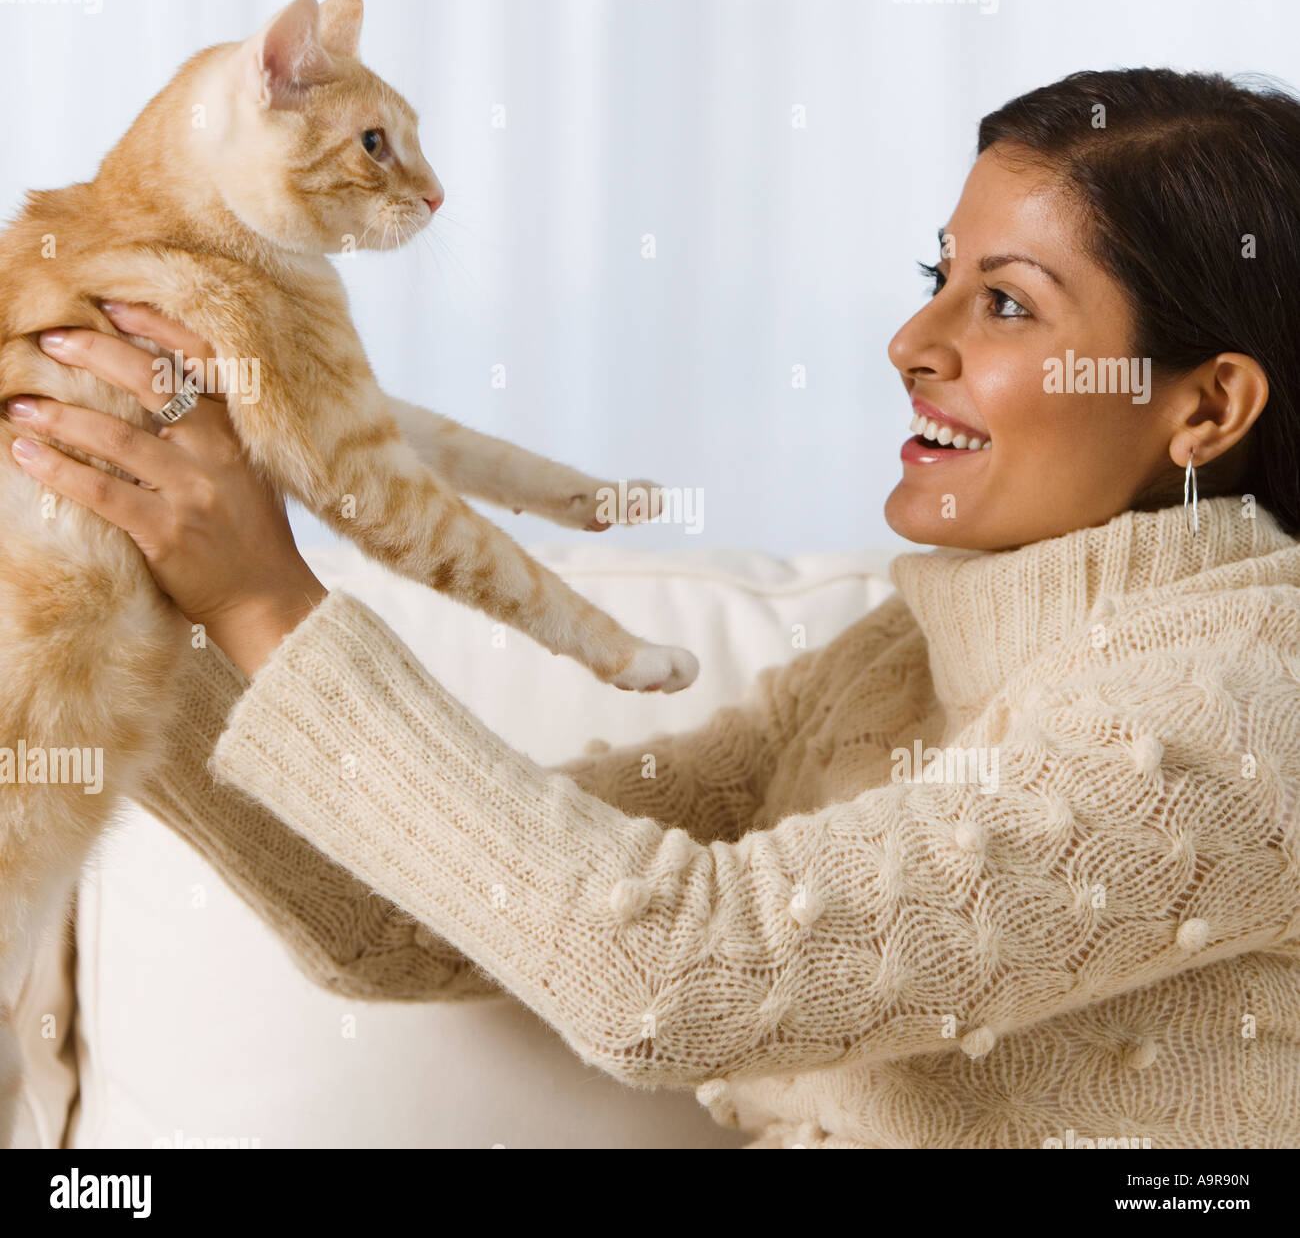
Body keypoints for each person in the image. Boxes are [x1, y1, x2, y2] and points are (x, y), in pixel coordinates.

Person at [9, 68, 1300, 1148]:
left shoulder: (1253, 701)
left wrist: (259, 595)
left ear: (1205, 407)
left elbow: (685, 977)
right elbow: (401, 921)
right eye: (939, 274)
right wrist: (113, 559)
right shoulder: (890, 667)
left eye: (1008, 302)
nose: (914, 338)